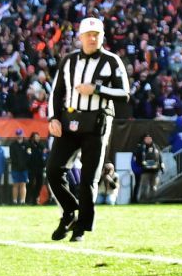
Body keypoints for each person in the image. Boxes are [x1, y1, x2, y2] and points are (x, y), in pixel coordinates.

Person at [47, 17, 130, 242]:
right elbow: (57, 91)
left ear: (102, 37)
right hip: (70, 120)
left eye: (97, 34)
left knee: (88, 178)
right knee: (54, 170)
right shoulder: (69, 61)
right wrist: (53, 117)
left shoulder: (112, 61)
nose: (92, 38)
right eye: (88, 34)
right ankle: (69, 211)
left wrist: (97, 89)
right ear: (80, 37)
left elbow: (124, 94)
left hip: (97, 122)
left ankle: (80, 228)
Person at [135, 133, 162, 203]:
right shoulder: (141, 148)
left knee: (154, 187)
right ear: (144, 139)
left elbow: (160, 157)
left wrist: (161, 164)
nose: (148, 140)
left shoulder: (156, 147)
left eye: (150, 138)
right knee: (144, 186)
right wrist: (142, 165)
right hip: (145, 171)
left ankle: (153, 200)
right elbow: (137, 158)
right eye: (147, 138)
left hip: (155, 171)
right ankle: (142, 200)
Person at [8, 129, 29, 205]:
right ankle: (15, 201)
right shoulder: (12, 145)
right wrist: (18, 164)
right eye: (18, 134)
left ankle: (23, 201)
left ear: (23, 134)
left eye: (20, 134)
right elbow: (12, 157)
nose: (19, 136)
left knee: (23, 184)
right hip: (15, 168)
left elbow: (28, 156)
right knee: (15, 184)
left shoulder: (27, 144)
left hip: (24, 168)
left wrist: (24, 165)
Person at [26, 132, 47, 204]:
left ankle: (36, 199)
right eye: (36, 137)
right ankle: (29, 199)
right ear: (32, 138)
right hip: (31, 168)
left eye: (38, 137)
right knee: (30, 184)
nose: (37, 138)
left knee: (39, 184)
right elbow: (28, 156)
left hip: (39, 168)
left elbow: (44, 156)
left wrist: (44, 164)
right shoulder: (29, 146)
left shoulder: (41, 146)